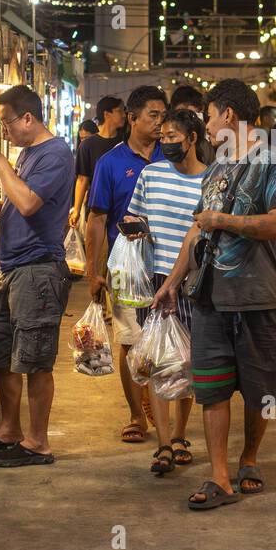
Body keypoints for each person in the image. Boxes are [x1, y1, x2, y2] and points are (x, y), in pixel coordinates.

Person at [153, 79, 276, 510]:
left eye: (211, 115)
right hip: (210, 297)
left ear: (229, 115)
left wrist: (225, 220)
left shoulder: (274, 161)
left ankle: (250, 457)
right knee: (212, 388)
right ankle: (219, 475)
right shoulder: (215, 167)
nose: (209, 124)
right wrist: (173, 281)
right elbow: (197, 229)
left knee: (262, 392)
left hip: (259, 296)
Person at [0, 85, 73, 467]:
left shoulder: (55, 153)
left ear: (28, 118)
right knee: (3, 352)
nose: (3, 129)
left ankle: (38, 443)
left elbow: (28, 203)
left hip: (38, 269)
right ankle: (9, 430)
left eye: (7, 121)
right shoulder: (28, 154)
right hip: (12, 268)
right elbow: (17, 198)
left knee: (36, 359)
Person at [121, 108, 207, 474]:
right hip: (155, 280)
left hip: (192, 281)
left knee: (185, 361)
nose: (167, 141)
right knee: (157, 360)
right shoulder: (150, 174)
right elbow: (134, 216)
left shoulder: (209, 180)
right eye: (164, 136)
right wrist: (133, 228)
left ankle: (181, 434)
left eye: (174, 136)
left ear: (192, 139)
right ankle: (163, 444)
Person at [87, 86, 167, 444]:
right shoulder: (111, 163)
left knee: (171, 340)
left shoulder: (174, 155)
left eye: (163, 115)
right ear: (131, 118)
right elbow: (96, 218)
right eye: (153, 115)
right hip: (127, 266)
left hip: (169, 264)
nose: (160, 122)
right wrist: (94, 269)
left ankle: (168, 417)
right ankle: (137, 415)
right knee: (131, 342)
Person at [69, 96, 125, 232]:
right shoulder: (88, 145)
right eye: (120, 111)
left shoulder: (126, 141)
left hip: (122, 210)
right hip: (97, 209)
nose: (124, 114)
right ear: (107, 114)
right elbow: (82, 179)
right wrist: (76, 210)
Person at [169, 83, 215, 164]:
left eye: (197, 116)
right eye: (186, 115)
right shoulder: (164, 144)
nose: (192, 122)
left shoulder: (205, 146)